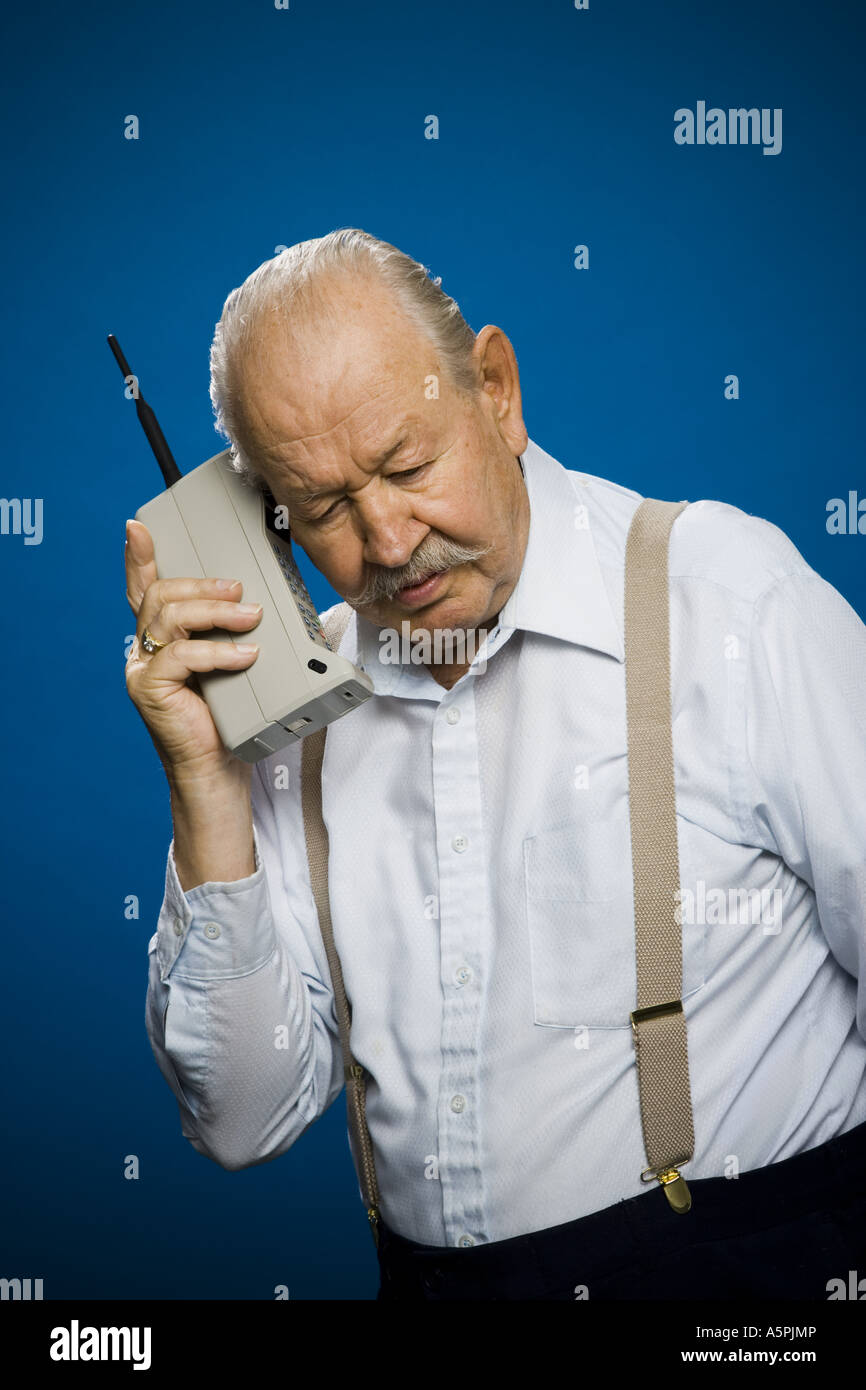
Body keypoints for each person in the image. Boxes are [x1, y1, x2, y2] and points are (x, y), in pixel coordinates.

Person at [124, 228, 866, 1300]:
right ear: (267, 523)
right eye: (324, 507)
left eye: (408, 466)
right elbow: (240, 1121)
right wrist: (203, 782)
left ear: (494, 389)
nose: (384, 540)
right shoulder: (293, 727)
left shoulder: (725, 599)